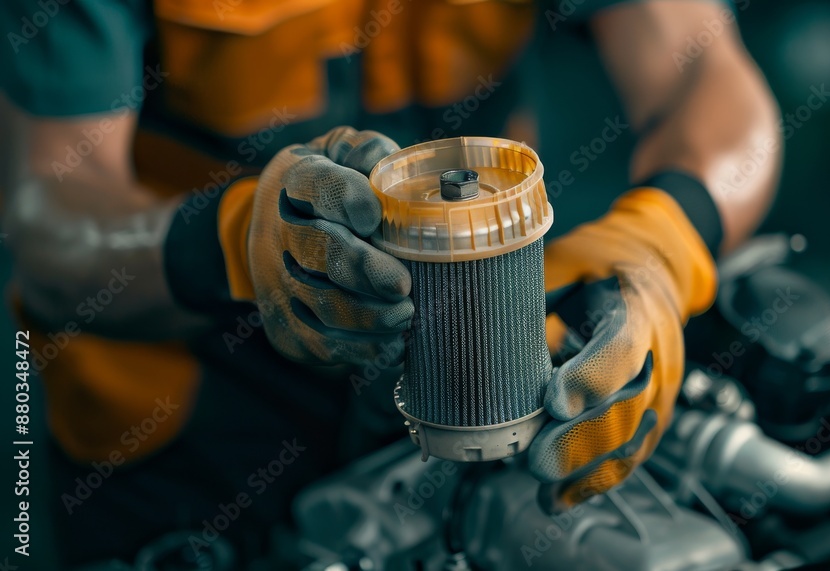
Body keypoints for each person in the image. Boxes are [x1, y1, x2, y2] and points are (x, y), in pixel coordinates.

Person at [0, 0, 779, 566]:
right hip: (188, 421)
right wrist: (236, 240)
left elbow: (704, 76)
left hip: (481, 366)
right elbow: (43, 215)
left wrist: (662, 243)